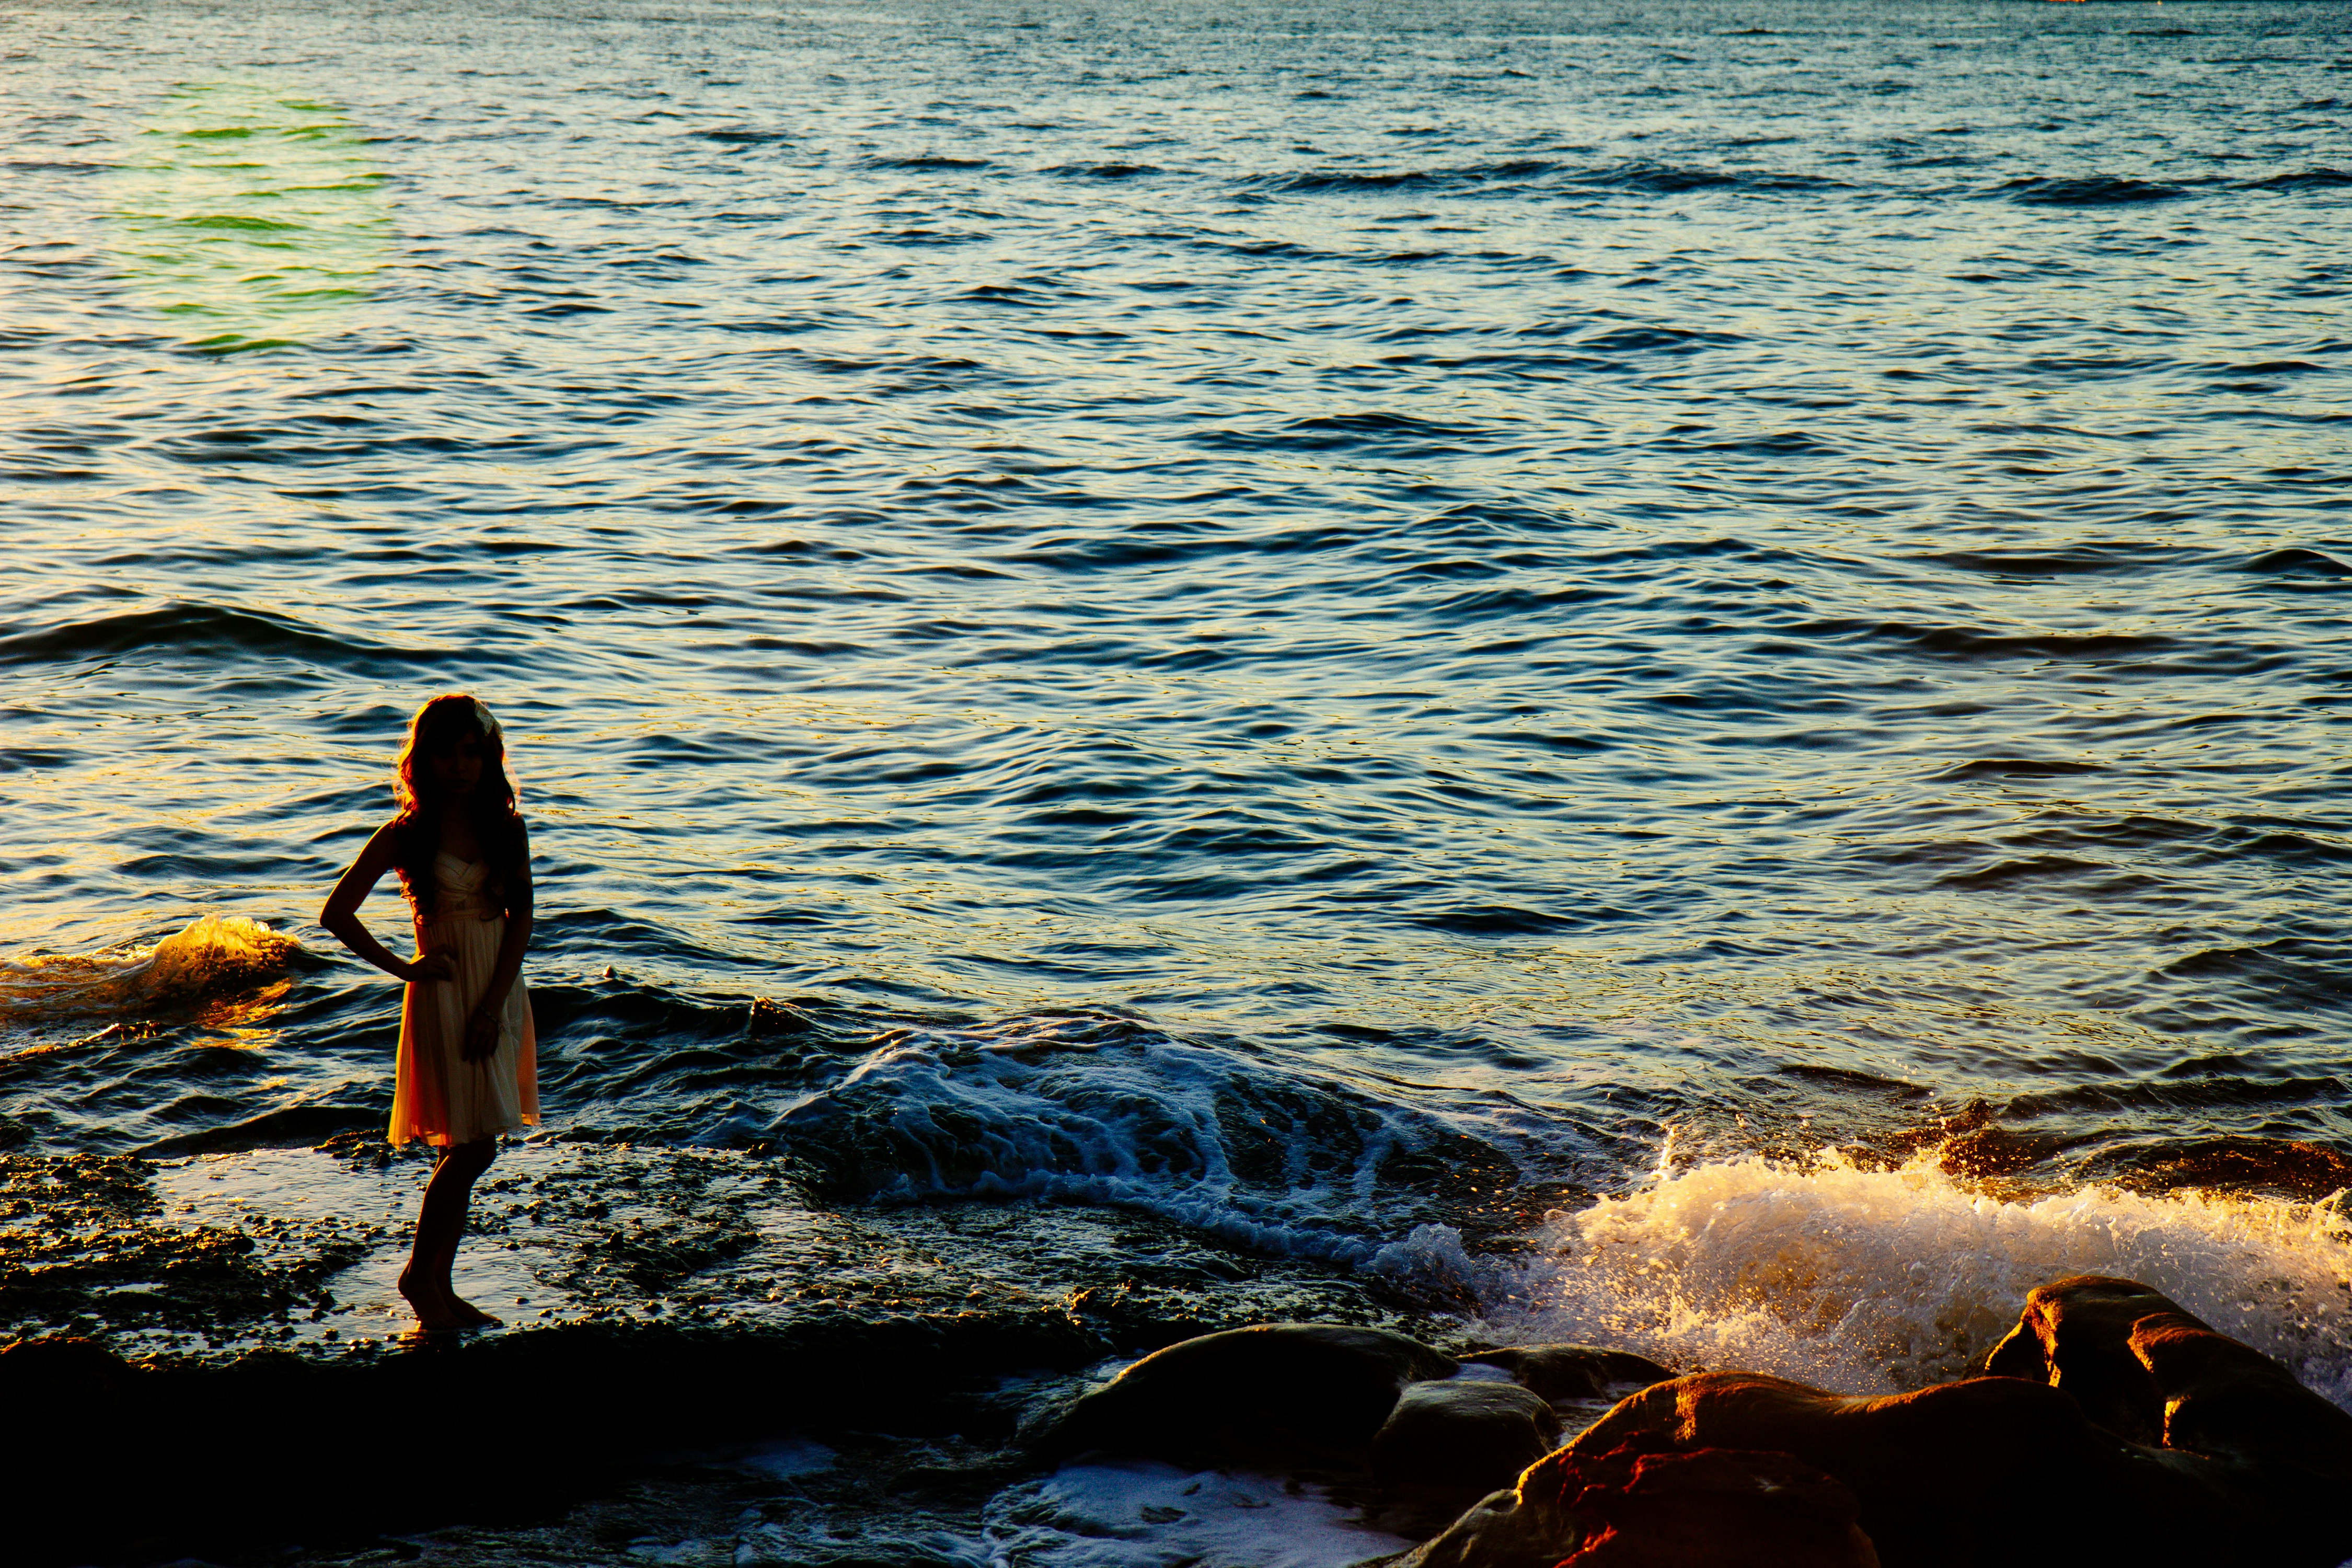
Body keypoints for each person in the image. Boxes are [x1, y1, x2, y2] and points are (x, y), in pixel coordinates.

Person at [321, 694, 538, 1330]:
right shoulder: (406, 835)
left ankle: (436, 1281)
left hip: (497, 990)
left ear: (488, 758)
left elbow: (521, 918)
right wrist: (406, 968)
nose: (460, 766)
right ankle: (422, 1279)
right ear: (423, 760)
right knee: (469, 1148)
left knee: (478, 1145)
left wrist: (493, 1008)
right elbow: (337, 914)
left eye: (472, 753)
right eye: (445, 753)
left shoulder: (506, 826)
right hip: (443, 993)